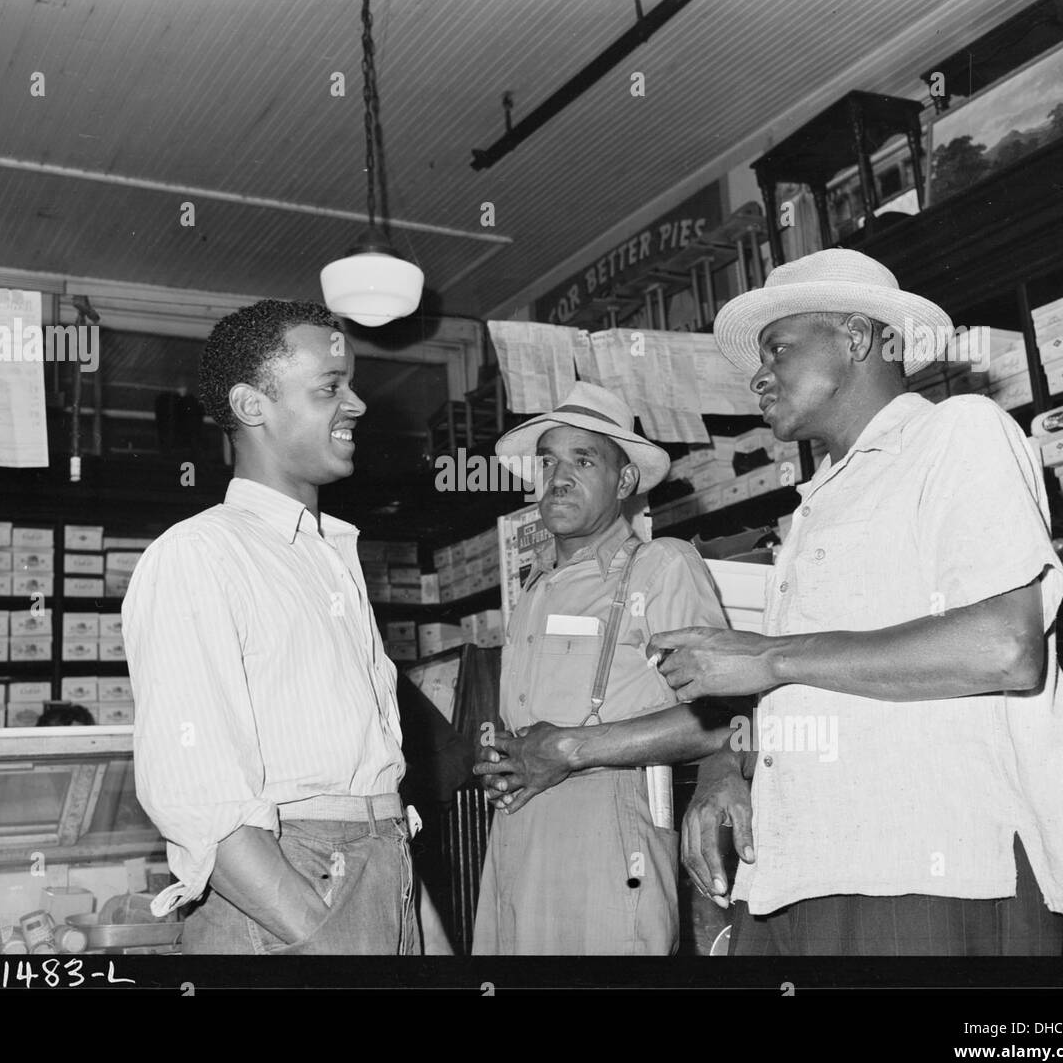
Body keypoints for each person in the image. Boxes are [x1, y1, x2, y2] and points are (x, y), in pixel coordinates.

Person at [654, 248, 1063, 954]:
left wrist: (769, 658)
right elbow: (809, 687)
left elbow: (1005, 647)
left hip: (924, 872)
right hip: (800, 870)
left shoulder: (957, 432)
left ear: (857, 339)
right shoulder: (817, 505)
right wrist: (727, 766)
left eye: (778, 346)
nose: (758, 372)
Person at [123, 299, 416, 955]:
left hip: (378, 865)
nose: (358, 404)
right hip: (290, 905)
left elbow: (377, 790)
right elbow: (201, 799)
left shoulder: (330, 558)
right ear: (253, 405)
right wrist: (323, 932)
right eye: (331, 388)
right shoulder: (199, 555)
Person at [471, 382, 732, 954]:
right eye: (548, 461)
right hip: (514, 835)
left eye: (583, 460)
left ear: (624, 481)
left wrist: (568, 749)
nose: (558, 477)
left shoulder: (659, 566)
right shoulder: (535, 584)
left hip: (607, 830)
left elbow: (720, 719)